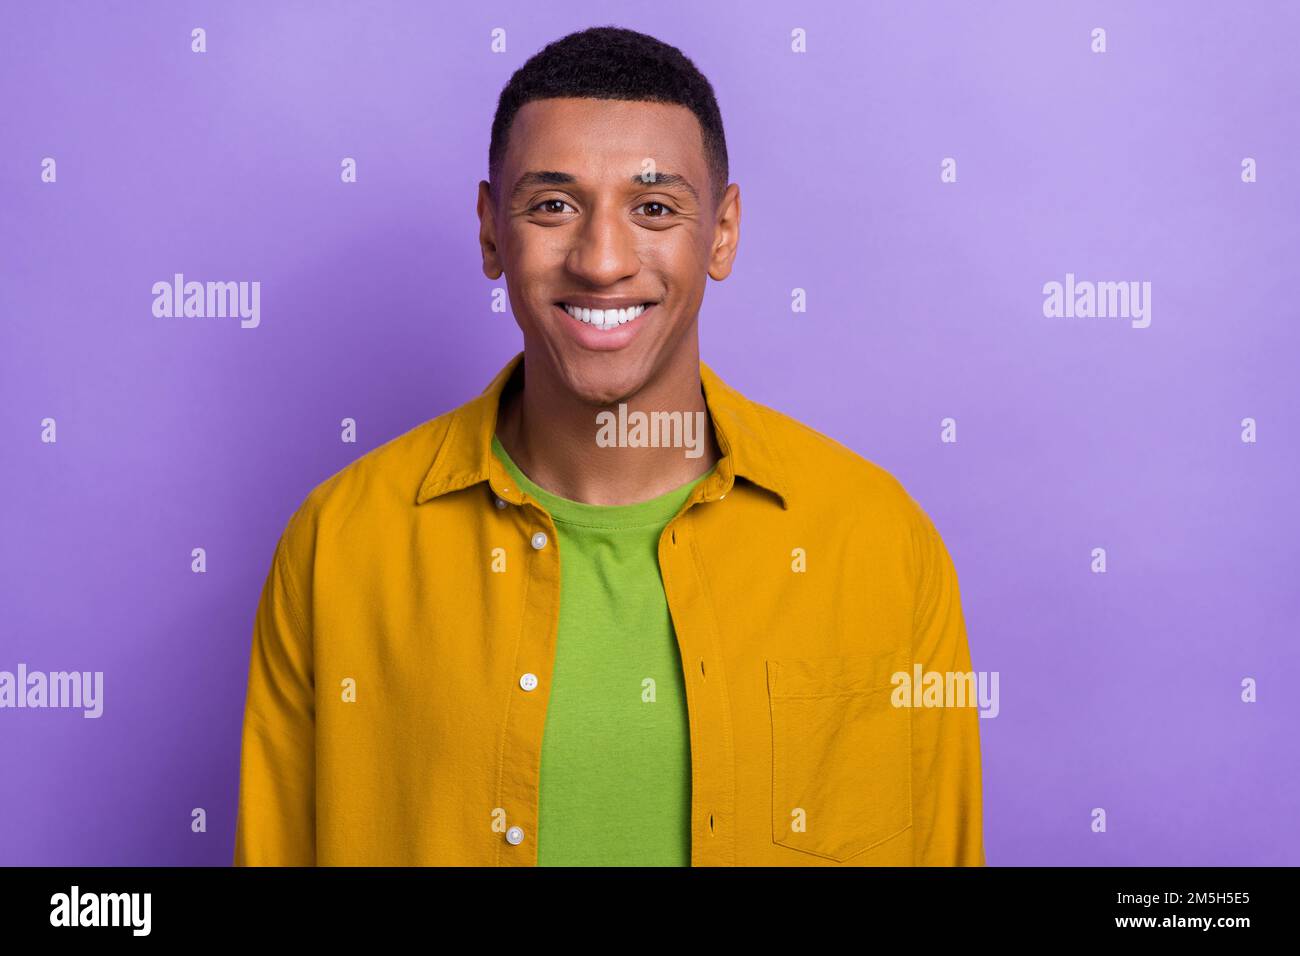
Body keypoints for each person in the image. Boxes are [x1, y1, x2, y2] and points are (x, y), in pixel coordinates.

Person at [234, 25, 985, 867]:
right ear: (490, 231)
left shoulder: (879, 542)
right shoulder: (338, 547)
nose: (601, 261)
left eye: (655, 208)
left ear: (724, 232)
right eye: (553, 206)